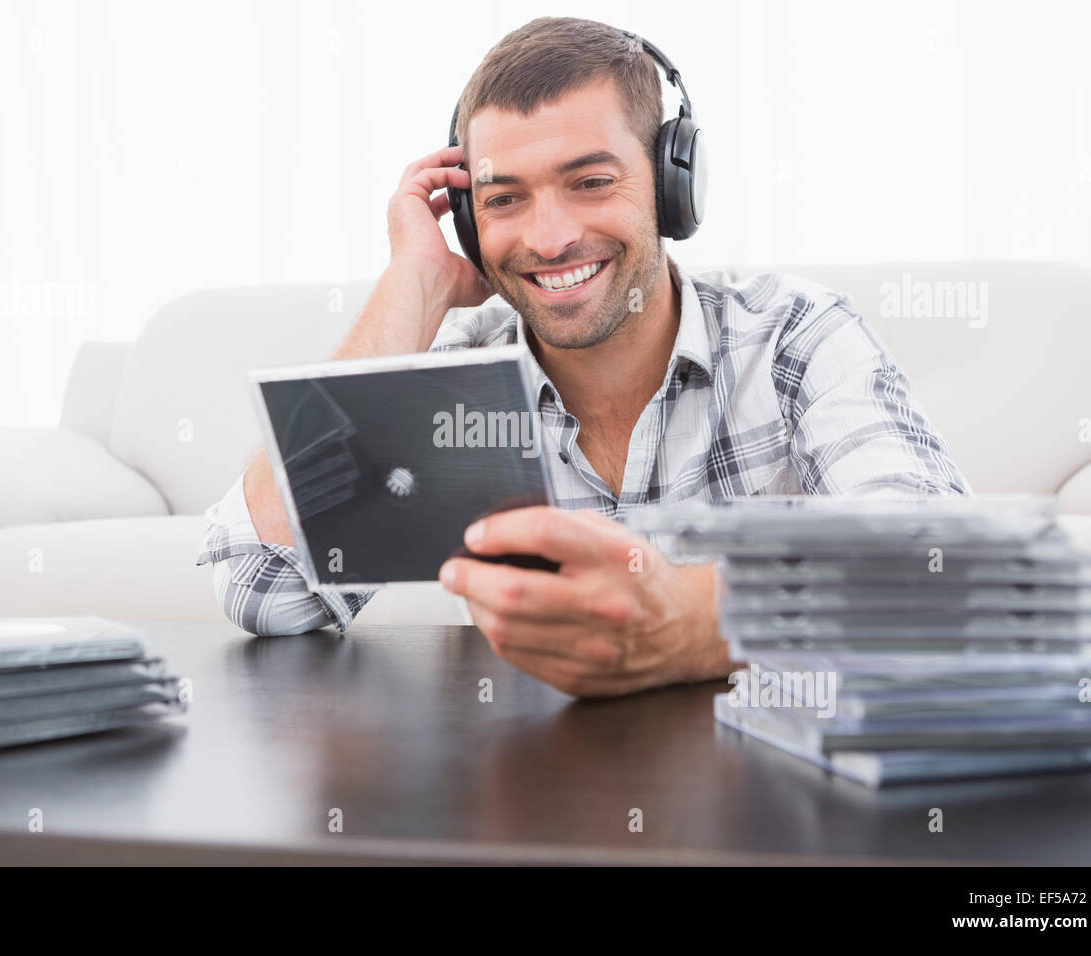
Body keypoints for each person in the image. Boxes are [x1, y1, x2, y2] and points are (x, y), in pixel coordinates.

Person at [197, 16, 970, 698]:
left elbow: (948, 578)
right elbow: (264, 592)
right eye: (504, 199)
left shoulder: (794, 335)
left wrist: (700, 623)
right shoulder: (455, 380)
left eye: (591, 181)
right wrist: (411, 290)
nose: (549, 236)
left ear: (674, 189)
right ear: (469, 221)